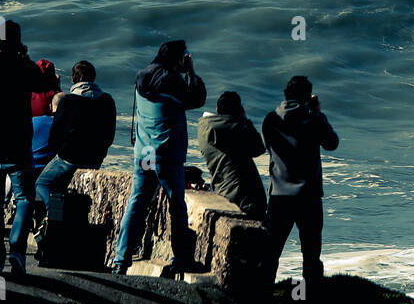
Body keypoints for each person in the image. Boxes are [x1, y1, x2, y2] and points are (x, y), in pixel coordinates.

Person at [112, 40, 206, 276]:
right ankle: (181, 259)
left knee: (137, 203)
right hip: (167, 154)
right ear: (178, 59)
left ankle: (120, 260)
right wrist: (192, 71)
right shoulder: (171, 81)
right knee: (177, 206)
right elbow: (197, 98)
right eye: (184, 56)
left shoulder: (142, 76)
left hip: (144, 152)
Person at [0, 20, 56, 276]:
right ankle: (17, 251)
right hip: (18, 144)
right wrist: (26, 55)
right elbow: (46, 85)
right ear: (18, 41)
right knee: (23, 198)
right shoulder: (24, 67)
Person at [263, 75, 338, 304]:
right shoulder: (313, 119)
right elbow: (332, 143)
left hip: (279, 196)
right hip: (308, 197)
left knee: (271, 252)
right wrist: (317, 113)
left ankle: (263, 298)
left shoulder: (271, 119)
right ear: (307, 96)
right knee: (311, 253)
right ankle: (310, 302)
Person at [34, 61, 116, 214]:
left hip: (69, 158)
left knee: (41, 184)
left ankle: (56, 213)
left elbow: (55, 135)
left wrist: (59, 151)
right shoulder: (107, 101)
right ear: (94, 78)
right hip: (95, 158)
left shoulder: (67, 101)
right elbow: (109, 135)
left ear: (73, 79)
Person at [198, 91, 267, 220]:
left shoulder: (205, 128)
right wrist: (244, 119)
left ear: (218, 109)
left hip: (222, 191)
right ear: (238, 111)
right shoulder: (237, 129)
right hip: (244, 197)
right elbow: (259, 148)